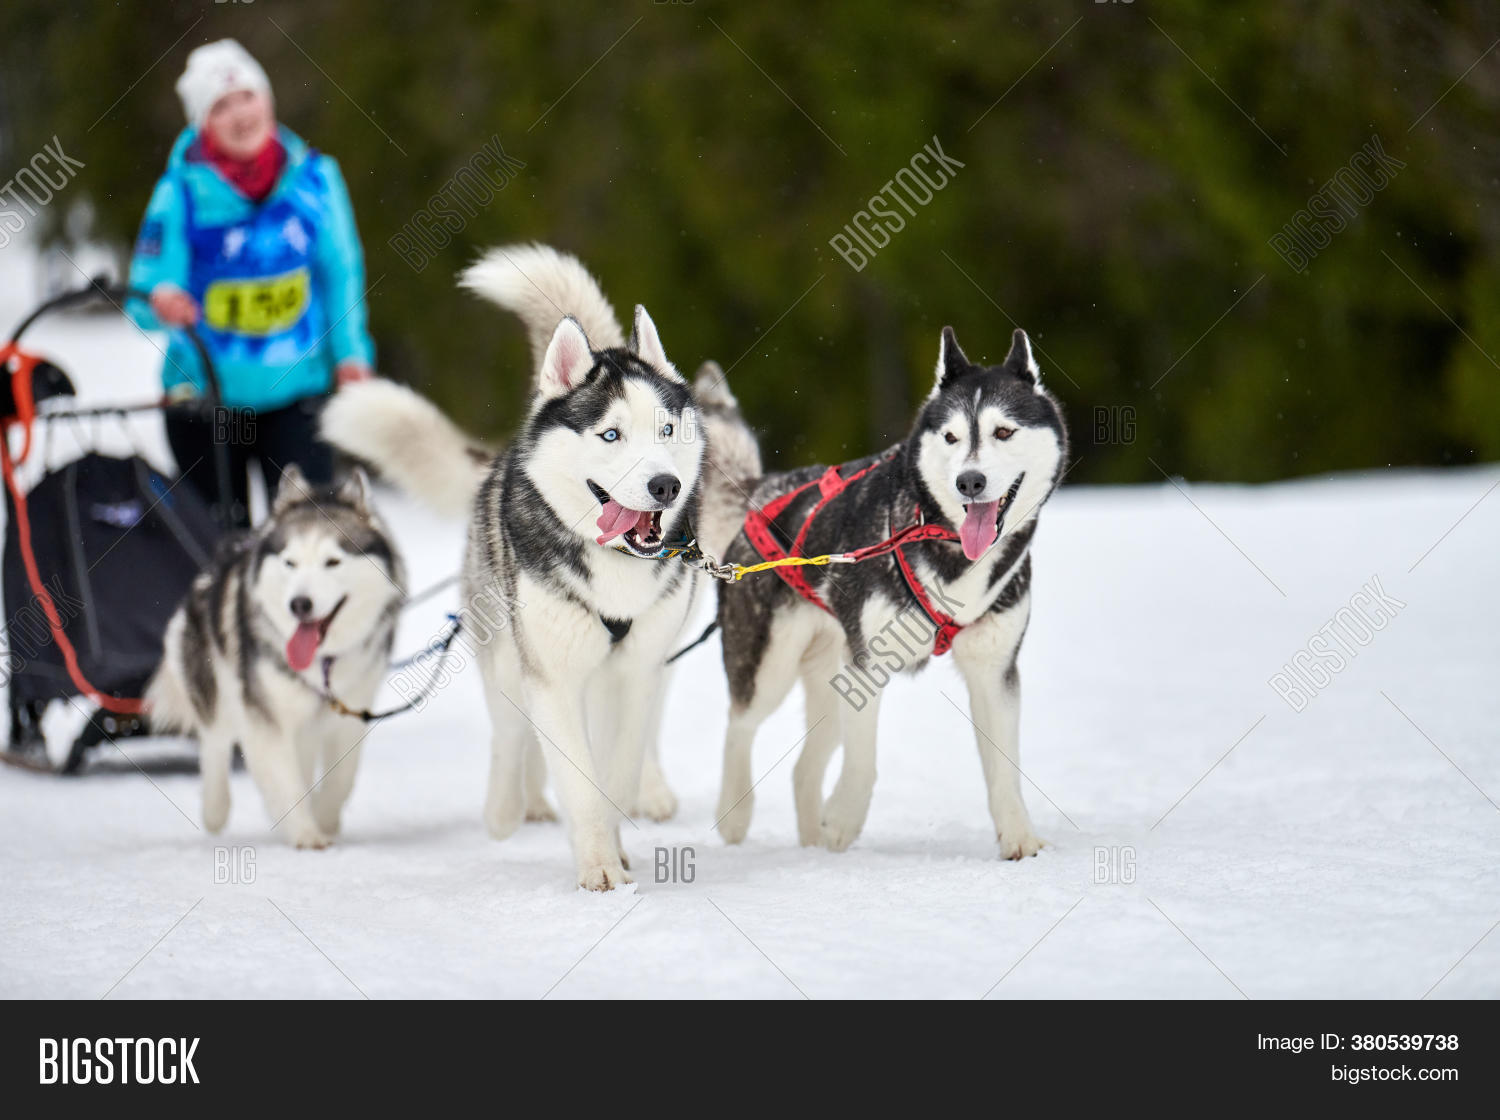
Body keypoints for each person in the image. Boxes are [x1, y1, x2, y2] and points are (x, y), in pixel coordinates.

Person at [128, 39, 374, 528]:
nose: (241, 114)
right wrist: (162, 301)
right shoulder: (178, 194)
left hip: (297, 398)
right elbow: (142, 295)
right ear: (202, 123)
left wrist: (351, 356)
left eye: (248, 96)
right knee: (223, 556)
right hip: (204, 404)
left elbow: (340, 272)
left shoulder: (317, 179)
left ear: (269, 99)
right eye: (221, 106)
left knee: (311, 542)